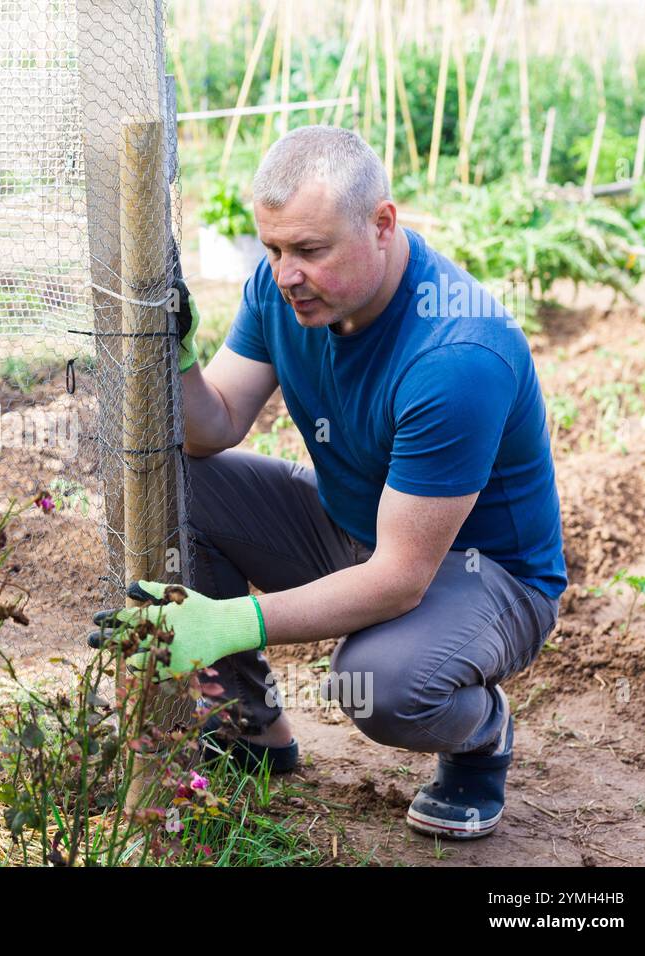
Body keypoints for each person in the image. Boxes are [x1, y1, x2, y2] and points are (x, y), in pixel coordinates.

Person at [92, 126, 565, 841]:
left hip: (484, 578)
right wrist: (179, 357)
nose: (285, 274)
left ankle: (481, 734)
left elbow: (401, 578)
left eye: (311, 251)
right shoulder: (281, 291)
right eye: (274, 248)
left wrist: (226, 621)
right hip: (357, 529)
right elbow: (212, 427)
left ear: (382, 225)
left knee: (381, 684)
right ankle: (252, 727)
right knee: (176, 481)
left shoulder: (458, 353)